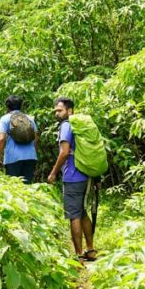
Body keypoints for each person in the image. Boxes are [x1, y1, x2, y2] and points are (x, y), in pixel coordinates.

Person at [47, 96, 96, 260]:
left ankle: (78, 254)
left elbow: (64, 152)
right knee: (82, 212)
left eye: (60, 110)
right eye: (56, 111)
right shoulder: (78, 126)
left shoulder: (66, 126)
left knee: (73, 215)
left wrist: (53, 173)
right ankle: (90, 249)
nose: (57, 114)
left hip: (73, 176)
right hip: (84, 173)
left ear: (70, 111)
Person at [0, 94, 38, 184]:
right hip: (30, 157)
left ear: (7, 107)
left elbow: (1, 139)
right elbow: (35, 139)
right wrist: (34, 156)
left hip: (13, 158)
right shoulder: (30, 118)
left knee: (14, 187)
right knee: (28, 187)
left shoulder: (5, 119)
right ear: (21, 106)